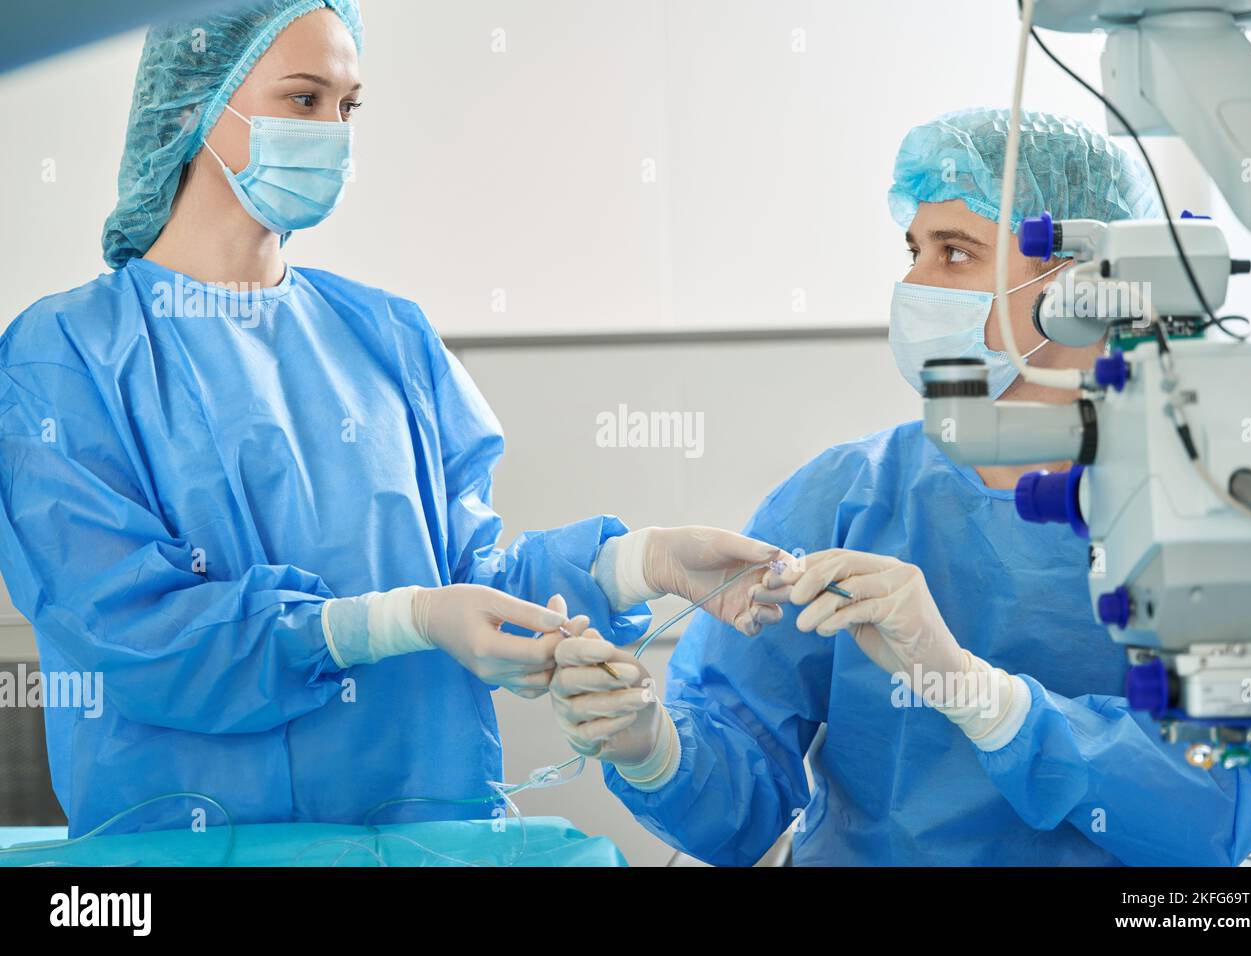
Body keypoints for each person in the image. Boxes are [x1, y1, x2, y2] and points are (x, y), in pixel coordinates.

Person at [0, 0, 783, 837]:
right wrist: (394, 622)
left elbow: (466, 585)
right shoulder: (67, 356)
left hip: (421, 836)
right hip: (192, 849)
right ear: (193, 105)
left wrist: (646, 562)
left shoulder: (386, 337)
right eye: (304, 100)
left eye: (348, 107)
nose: (332, 132)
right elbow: (133, 635)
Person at [548, 107, 1251, 866]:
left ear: (1081, 283)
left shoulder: (1207, 512)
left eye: (955, 252)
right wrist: (651, 746)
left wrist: (977, 694)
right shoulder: (849, 496)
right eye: (913, 249)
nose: (914, 281)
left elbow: (1208, 818)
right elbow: (739, 807)